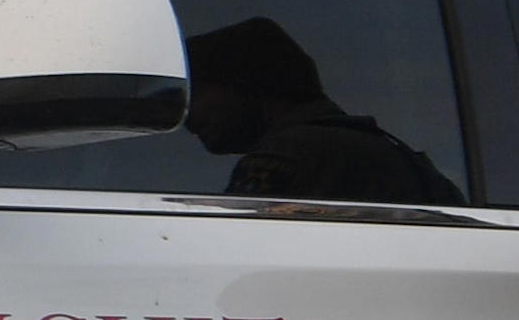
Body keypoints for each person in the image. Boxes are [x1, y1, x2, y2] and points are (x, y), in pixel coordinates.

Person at [183, 14, 464, 204]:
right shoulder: (395, 156)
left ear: (247, 83)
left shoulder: (284, 156)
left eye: (195, 94)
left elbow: (236, 246)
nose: (188, 119)